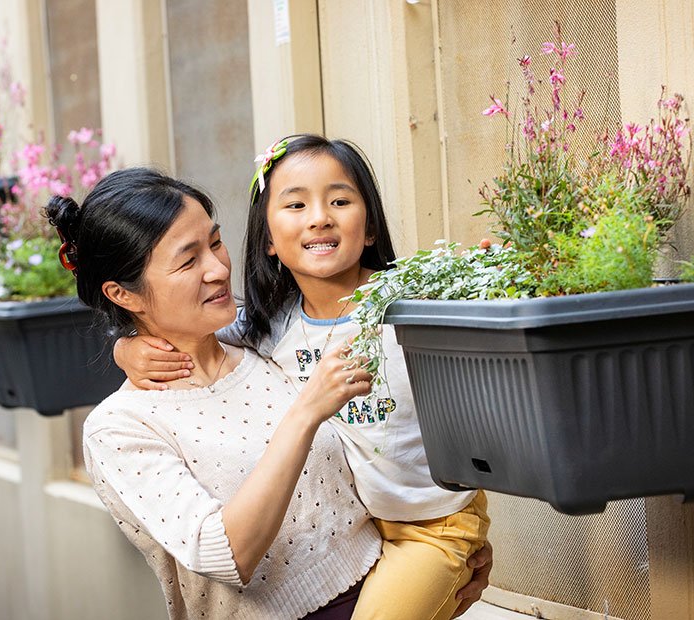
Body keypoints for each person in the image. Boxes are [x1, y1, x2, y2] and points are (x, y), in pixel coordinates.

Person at [115, 135, 492, 620]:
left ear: (370, 227)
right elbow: (186, 328)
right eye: (296, 204)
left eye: (339, 200)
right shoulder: (270, 327)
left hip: (434, 524)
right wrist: (126, 346)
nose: (320, 217)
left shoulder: (412, 306)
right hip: (372, 528)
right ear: (269, 241)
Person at [47, 168, 387, 619]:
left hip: (390, 589)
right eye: (188, 261)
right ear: (123, 294)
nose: (219, 268)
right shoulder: (120, 428)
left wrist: (439, 548)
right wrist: (306, 414)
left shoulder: (264, 339)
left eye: (215, 242)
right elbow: (226, 556)